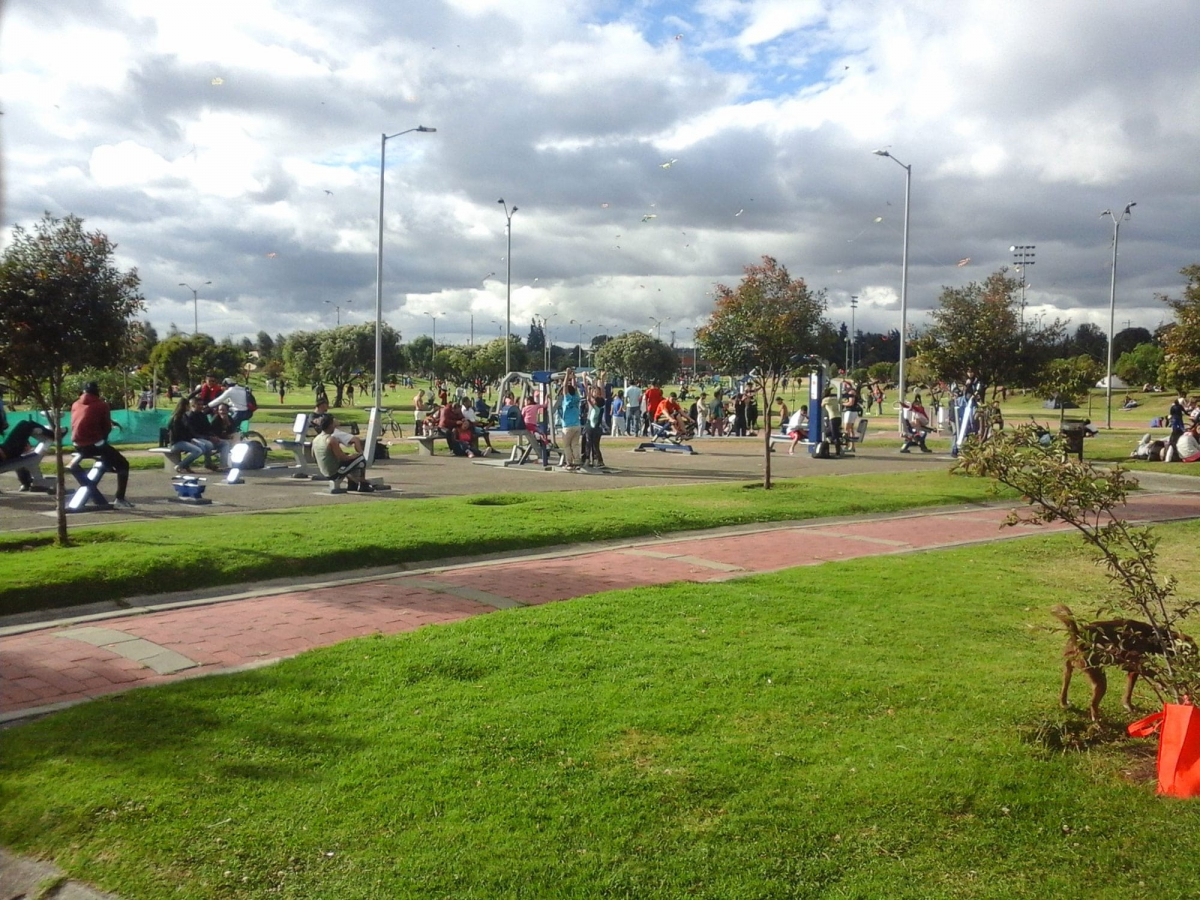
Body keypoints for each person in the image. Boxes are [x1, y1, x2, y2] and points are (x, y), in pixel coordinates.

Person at [70, 381, 133, 509]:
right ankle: (120, 498)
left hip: (76, 443)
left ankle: (108, 464)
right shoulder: (101, 405)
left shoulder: (75, 404)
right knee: (123, 463)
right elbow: (106, 428)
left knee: (107, 455)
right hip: (93, 444)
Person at [311, 414, 374, 492]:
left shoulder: (316, 439)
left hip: (324, 471)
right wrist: (354, 456)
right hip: (334, 473)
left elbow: (313, 455)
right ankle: (363, 484)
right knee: (360, 458)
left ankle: (353, 483)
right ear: (330, 425)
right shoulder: (331, 439)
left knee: (350, 461)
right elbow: (342, 458)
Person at [166, 397, 217, 474]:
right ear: (185, 406)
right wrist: (189, 440)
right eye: (188, 406)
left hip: (185, 440)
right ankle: (180, 466)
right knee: (197, 451)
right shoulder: (177, 418)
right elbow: (177, 434)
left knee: (203, 448)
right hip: (177, 442)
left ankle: (187, 465)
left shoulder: (185, 417)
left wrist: (191, 439)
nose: (189, 407)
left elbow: (188, 431)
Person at [186, 396, 230, 468]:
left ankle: (223, 465)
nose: (201, 406)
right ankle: (208, 463)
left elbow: (208, 428)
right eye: (198, 405)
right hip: (194, 439)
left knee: (225, 443)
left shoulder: (202, 415)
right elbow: (192, 433)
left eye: (202, 404)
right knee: (208, 444)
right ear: (193, 405)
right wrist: (208, 437)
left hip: (205, 438)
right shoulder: (189, 416)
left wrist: (213, 436)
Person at [558, 384, 582, 470]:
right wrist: (573, 379)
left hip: (568, 427)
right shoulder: (576, 398)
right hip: (577, 426)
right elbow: (575, 388)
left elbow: (565, 388)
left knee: (567, 446)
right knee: (575, 445)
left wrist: (567, 374)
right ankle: (577, 462)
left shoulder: (567, 399)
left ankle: (569, 463)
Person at [583, 384, 606, 468]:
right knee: (595, 445)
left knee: (589, 444)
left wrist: (589, 389)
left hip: (592, 426)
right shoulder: (600, 408)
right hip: (596, 427)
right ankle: (596, 461)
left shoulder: (596, 407)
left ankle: (590, 460)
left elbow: (588, 399)